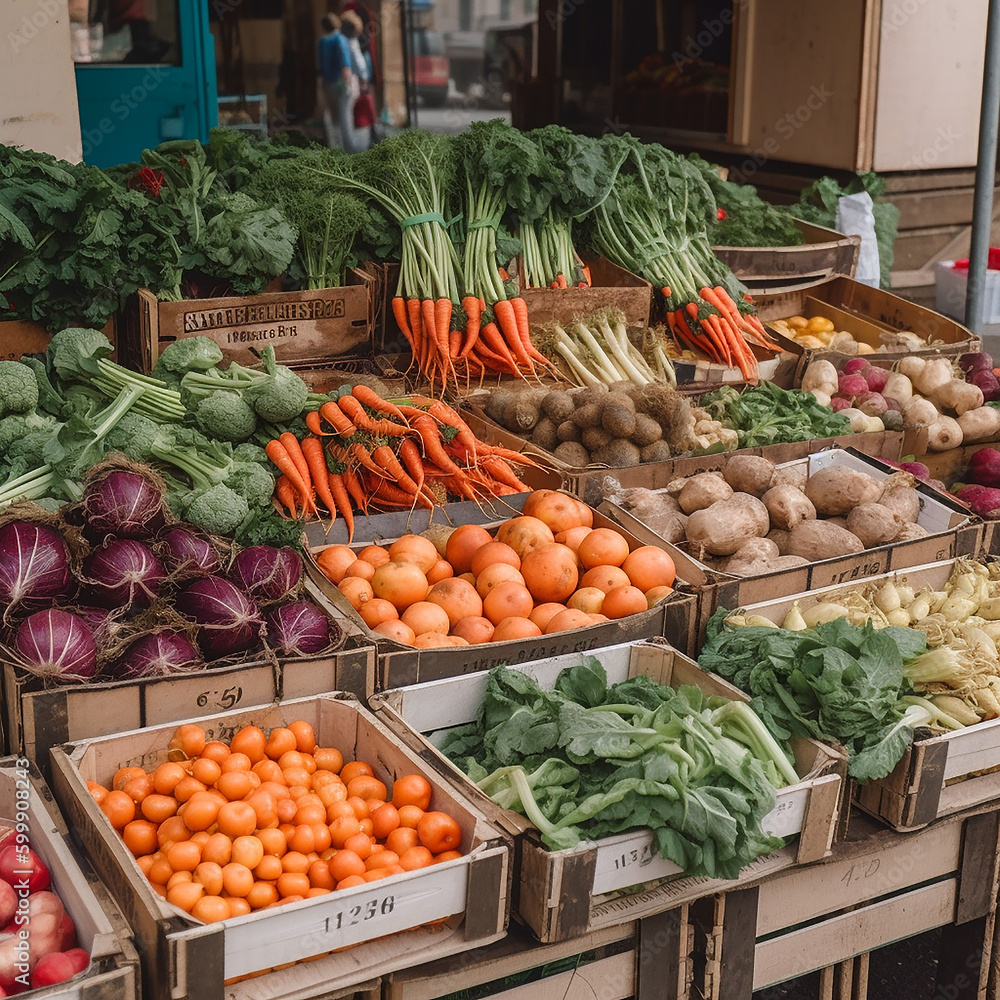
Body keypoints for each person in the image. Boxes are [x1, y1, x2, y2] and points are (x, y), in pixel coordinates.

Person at [317, 14, 362, 153]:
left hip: (328, 83)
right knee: (346, 118)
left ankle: (335, 148)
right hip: (341, 83)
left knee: (333, 119)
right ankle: (350, 149)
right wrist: (348, 84)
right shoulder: (340, 39)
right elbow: (345, 64)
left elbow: (320, 65)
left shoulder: (322, 41)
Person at [341, 10, 372, 152]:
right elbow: (358, 61)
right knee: (348, 114)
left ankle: (343, 145)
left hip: (336, 80)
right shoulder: (351, 40)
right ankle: (351, 148)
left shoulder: (338, 38)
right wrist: (364, 78)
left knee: (340, 116)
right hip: (350, 79)